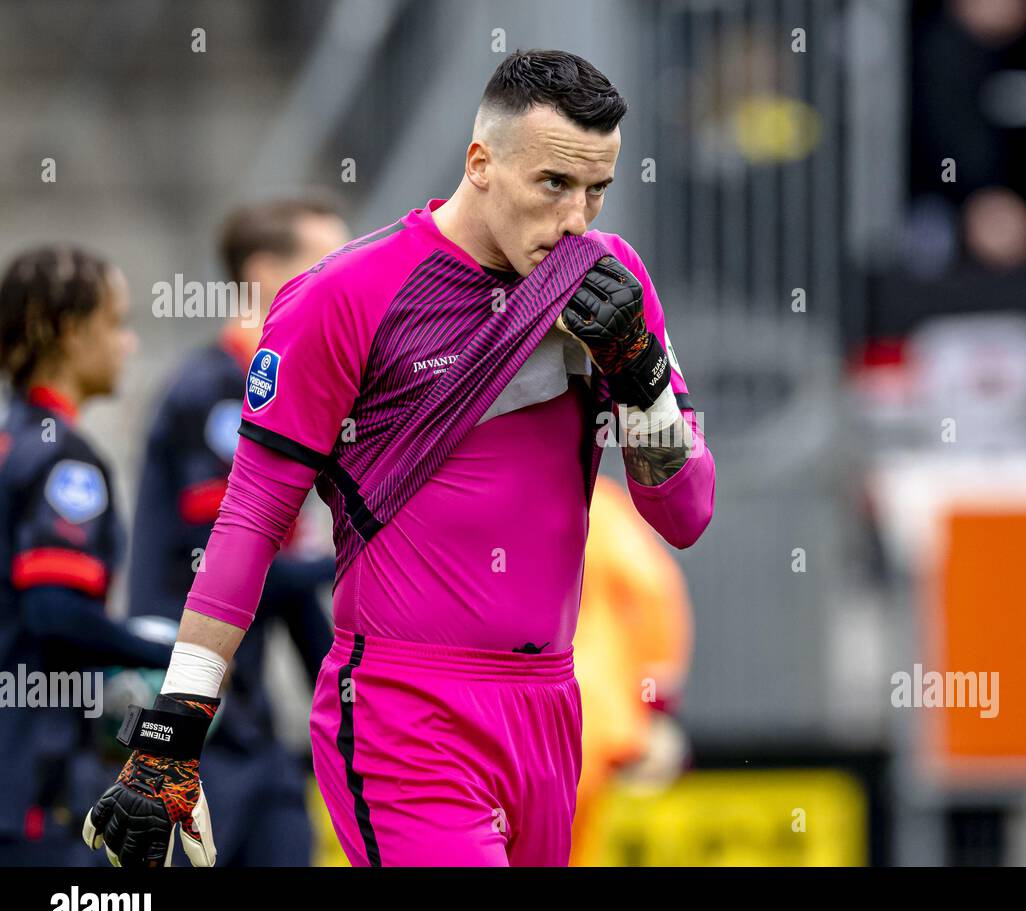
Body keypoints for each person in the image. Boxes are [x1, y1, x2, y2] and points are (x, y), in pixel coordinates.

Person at [84, 48, 716, 868]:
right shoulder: (343, 297)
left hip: (552, 711)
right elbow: (249, 522)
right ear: (480, 163)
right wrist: (175, 727)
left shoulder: (609, 282)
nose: (574, 220)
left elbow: (686, 513)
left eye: (596, 190)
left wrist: (646, 385)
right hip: (402, 709)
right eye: (553, 185)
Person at [108, 198, 349, 866]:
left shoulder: (289, 387)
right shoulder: (215, 390)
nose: (347, 278)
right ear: (267, 272)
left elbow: (285, 579)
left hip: (249, 720)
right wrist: (361, 556)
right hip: (188, 718)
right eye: (326, 262)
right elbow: (227, 562)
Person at [0, 245, 174, 865]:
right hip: (26, 790)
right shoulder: (64, 462)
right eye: (116, 323)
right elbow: (53, 612)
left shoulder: (12, 441)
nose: (127, 343)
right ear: (71, 333)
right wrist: (174, 657)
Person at [569, 474, 694, 865]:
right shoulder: (600, 504)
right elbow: (651, 588)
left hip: (500, 710)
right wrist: (656, 704)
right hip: (596, 716)